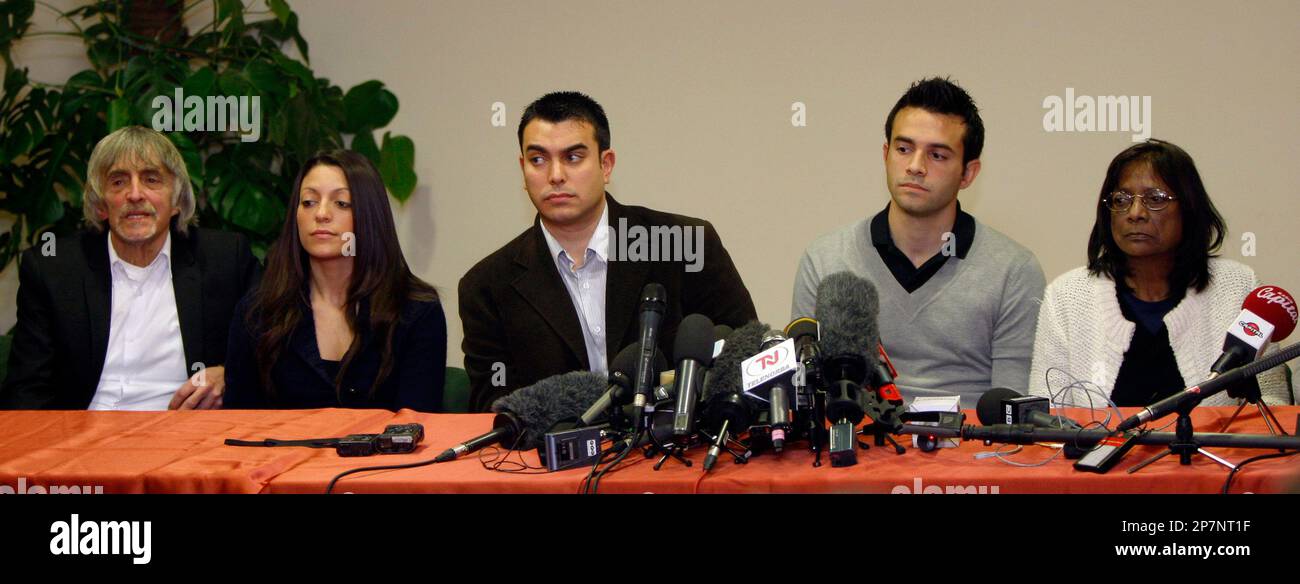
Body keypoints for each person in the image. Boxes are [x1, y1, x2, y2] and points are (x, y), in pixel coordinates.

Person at [460, 91, 757, 412]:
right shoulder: (487, 285)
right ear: (522, 169)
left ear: (606, 164)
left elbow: (746, 355)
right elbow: (490, 402)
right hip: (555, 456)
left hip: (678, 448)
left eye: (573, 157)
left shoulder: (684, 244)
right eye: (538, 159)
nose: (555, 175)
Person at [791, 77, 1045, 410]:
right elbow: (807, 396)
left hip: (970, 452)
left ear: (968, 173)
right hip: (860, 447)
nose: (915, 166)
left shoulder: (1014, 271)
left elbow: (1013, 410)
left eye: (937, 155)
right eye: (904, 149)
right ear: (886, 154)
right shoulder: (825, 259)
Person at [1, 126, 258, 410]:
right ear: (100, 205)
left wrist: (228, 374)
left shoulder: (225, 258)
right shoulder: (52, 270)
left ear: (176, 201)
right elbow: (27, 389)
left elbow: (271, 347)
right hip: (83, 437)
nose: (135, 195)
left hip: (185, 435)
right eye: (118, 182)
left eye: (151, 179)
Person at [1028, 139, 1288, 406]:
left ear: (1188, 207)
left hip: (1214, 449)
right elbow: (1046, 413)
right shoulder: (1067, 295)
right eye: (1121, 199)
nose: (1135, 213)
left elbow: (1273, 404)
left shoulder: (1238, 286)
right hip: (1094, 450)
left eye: (1155, 199)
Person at [223, 150, 446, 411]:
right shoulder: (258, 312)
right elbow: (240, 425)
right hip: (283, 452)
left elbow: (416, 426)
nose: (321, 214)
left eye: (341, 203)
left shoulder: (416, 310)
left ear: (369, 215)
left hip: (386, 453)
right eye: (308, 202)